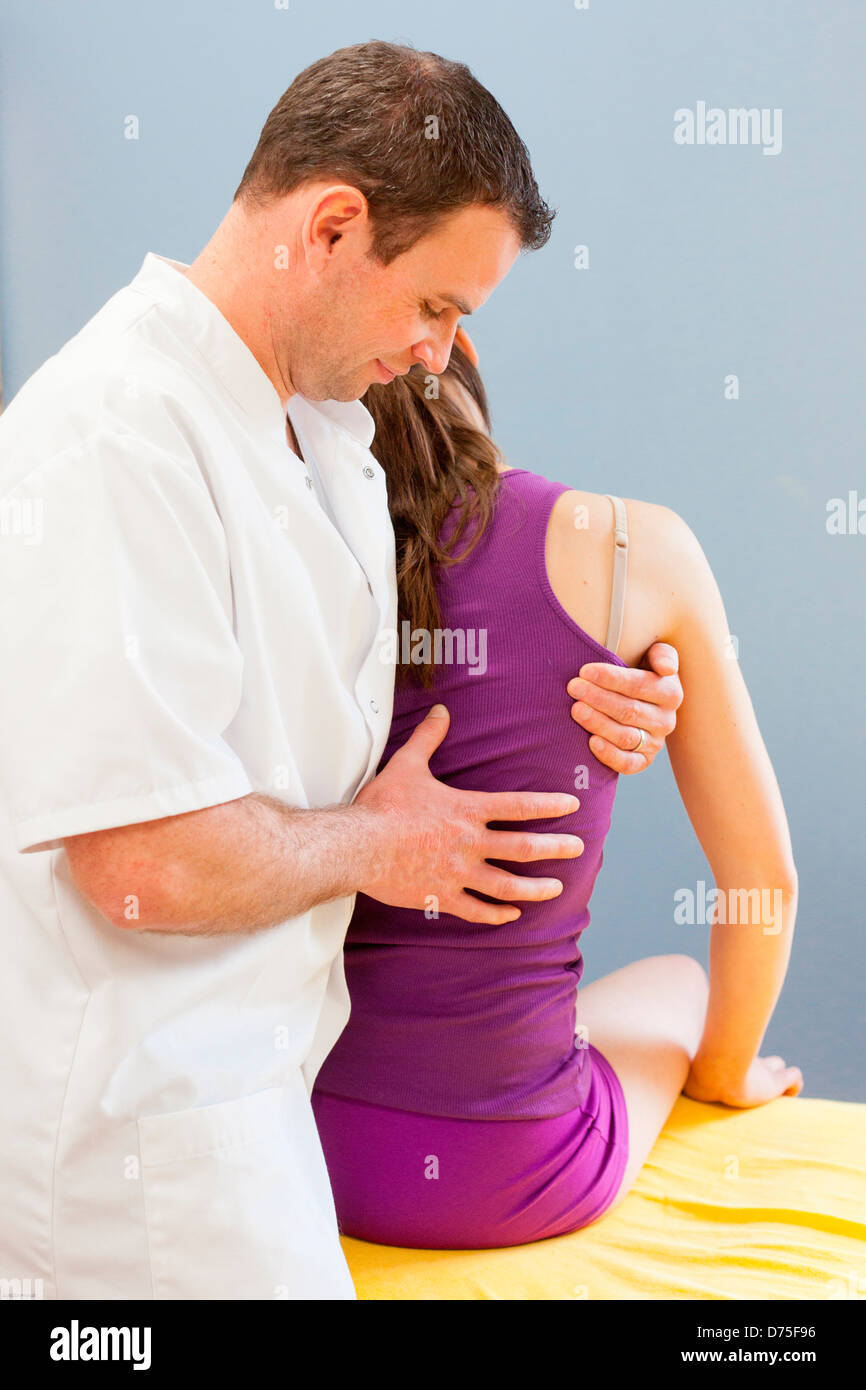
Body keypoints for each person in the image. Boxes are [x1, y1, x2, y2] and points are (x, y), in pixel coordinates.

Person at [0, 42, 681, 1299]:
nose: (439, 355)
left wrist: (600, 699)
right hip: (145, 1173)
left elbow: (331, 709)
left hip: (262, 1109)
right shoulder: (110, 437)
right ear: (330, 226)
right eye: (435, 306)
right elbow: (138, 861)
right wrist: (380, 849)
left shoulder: (319, 436)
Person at [311, 337, 804, 1250]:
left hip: (309, 1149)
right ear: (459, 341)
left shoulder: (291, 563)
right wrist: (725, 1075)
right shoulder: (633, 549)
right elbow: (762, 884)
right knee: (675, 980)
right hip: (514, 1170)